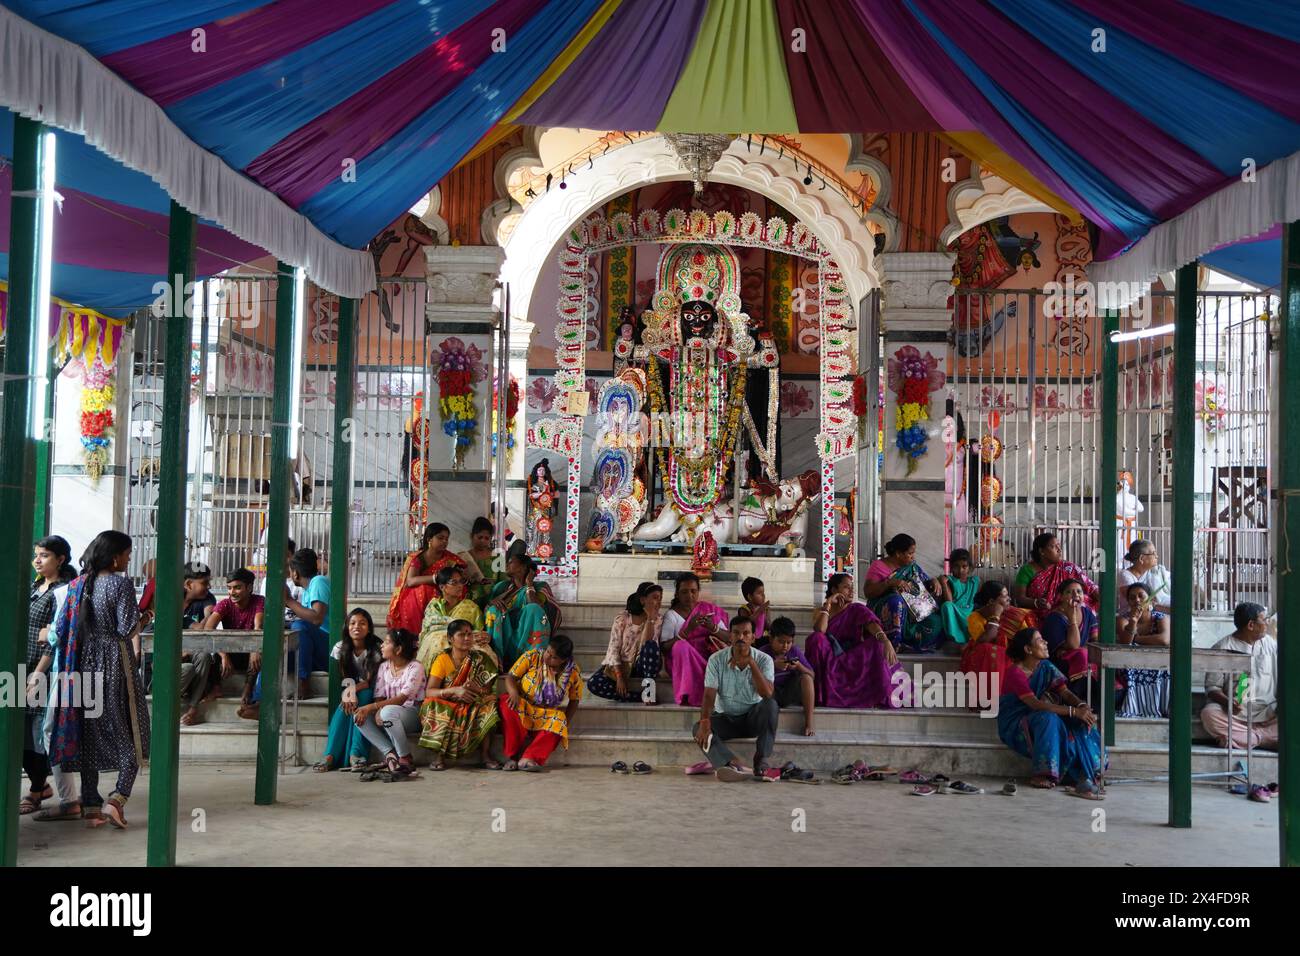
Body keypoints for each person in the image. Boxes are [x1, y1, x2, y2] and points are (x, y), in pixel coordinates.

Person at [49, 531, 151, 828]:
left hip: (81, 663)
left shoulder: (78, 585)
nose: (130, 559)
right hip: (114, 661)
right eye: (128, 553)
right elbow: (126, 628)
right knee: (131, 730)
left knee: (90, 732)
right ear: (116, 556)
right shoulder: (119, 584)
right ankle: (117, 799)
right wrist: (145, 617)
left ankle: (91, 804)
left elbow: (62, 627)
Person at [997, 627, 1104, 798]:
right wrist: (1073, 711)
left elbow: (1065, 692)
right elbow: (1035, 704)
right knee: (1048, 718)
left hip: (1038, 716)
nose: (1046, 642)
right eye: (1040, 640)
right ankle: (1043, 773)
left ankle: (1090, 770)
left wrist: (1082, 706)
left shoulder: (1045, 666)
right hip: (1015, 723)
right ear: (1028, 649)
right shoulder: (1015, 673)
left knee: (1080, 720)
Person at [19, 536, 78, 817]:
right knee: (20, 732)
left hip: (42, 670)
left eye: (44, 555)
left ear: (61, 560)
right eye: (36, 555)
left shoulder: (62, 592)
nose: (38, 560)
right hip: (21, 667)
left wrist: (36, 675)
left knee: (39, 734)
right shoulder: (34, 587)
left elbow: (55, 639)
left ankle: (37, 789)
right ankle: (40, 787)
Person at [692, 617, 780, 782]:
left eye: (746, 633)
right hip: (726, 719)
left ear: (753, 637)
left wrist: (752, 664)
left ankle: (761, 760)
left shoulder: (764, 660)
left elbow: (767, 693)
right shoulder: (716, 660)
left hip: (752, 719)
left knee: (771, 706)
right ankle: (730, 764)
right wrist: (705, 721)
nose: (741, 637)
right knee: (698, 727)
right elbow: (709, 694)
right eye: (736, 633)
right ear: (730, 636)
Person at [804, 573, 903, 709]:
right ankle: (820, 693)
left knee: (876, 644)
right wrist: (828, 605)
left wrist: (885, 640)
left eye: (852, 588)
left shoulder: (856, 608)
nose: (851, 591)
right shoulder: (822, 611)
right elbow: (820, 630)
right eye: (846, 587)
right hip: (831, 657)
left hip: (853, 657)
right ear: (834, 590)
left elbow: (872, 625)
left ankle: (877, 693)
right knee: (815, 639)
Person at [419, 618, 502, 769]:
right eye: (461, 635)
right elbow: (430, 691)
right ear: (451, 639)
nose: (467, 638)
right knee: (431, 704)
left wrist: (475, 689)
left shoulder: (481, 658)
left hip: (472, 702)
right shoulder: (442, 659)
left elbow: (488, 691)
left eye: (469, 634)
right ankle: (439, 756)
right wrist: (454, 690)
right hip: (448, 701)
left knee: (489, 707)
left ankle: (485, 755)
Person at [500, 634, 583, 771]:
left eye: (553, 657)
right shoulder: (532, 656)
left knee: (560, 721)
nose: (547, 656)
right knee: (506, 702)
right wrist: (513, 693)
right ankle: (512, 756)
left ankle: (529, 758)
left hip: (545, 713)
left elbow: (574, 700)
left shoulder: (573, 672)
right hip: (523, 704)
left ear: (563, 660)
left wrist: (564, 723)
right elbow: (511, 677)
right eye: (548, 651)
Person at [1201, 602, 1278, 751]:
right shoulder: (1222, 648)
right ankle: (1265, 739)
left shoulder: (1271, 645)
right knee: (1209, 714)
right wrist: (1229, 702)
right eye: (1265, 619)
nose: (1267, 623)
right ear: (1251, 625)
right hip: (1236, 715)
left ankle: (1246, 739)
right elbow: (1212, 688)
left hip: (1268, 712)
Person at [315, 609, 383, 771]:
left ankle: (355, 754)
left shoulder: (376, 647)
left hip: (373, 690)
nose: (356, 627)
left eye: (362, 623)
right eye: (352, 623)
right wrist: (348, 692)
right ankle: (331, 755)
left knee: (364, 697)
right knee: (344, 706)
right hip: (351, 686)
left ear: (369, 628)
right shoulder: (340, 647)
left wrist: (350, 691)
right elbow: (344, 677)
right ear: (347, 627)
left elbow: (370, 681)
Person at [353, 628, 427, 776]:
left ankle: (405, 756)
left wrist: (375, 708)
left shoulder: (415, 667)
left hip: (412, 714)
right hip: (390, 714)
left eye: (386, 643)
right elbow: (380, 695)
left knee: (387, 712)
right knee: (359, 715)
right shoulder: (384, 666)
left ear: (398, 649)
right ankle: (390, 753)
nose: (382, 646)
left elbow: (401, 699)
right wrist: (375, 709)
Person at [864, 534, 945, 652]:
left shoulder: (911, 566)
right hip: (888, 610)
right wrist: (890, 583)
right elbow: (868, 592)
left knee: (935, 622)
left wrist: (934, 581)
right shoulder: (879, 566)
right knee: (896, 601)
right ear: (898, 554)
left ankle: (911, 646)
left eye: (913, 553)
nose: (913, 557)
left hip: (914, 611)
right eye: (910, 553)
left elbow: (924, 583)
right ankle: (894, 643)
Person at [661, 572, 730, 707]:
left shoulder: (708, 610)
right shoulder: (671, 615)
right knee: (681, 646)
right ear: (677, 594)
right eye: (684, 592)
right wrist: (688, 631)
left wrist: (712, 627)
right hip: (682, 664)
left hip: (709, 659)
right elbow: (664, 647)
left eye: (693, 591)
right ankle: (689, 695)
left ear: (698, 592)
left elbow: (729, 638)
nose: (689, 596)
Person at [588, 583, 663, 703]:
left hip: (643, 665)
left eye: (660, 598)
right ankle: (637, 697)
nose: (659, 602)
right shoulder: (623, 618)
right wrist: (619, 677)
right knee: (593, 684)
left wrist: (650, 619)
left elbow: (647, 644)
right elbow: (613, 648)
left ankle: (649, 690)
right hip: (622, 666)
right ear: (643, 600)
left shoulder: (657, 619)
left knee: (651, 646)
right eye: (655, 598)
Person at [484, 552, 561, 670]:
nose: (507, 564)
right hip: (504, 633)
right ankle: (498, 661)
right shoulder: (502, 587)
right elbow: (487, 608)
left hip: (526, 632)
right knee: (494, 611)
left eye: (511, 562)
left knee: (533, 609)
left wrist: (529, 585)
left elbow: (537, 607)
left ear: (523, 567)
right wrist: (492, 603)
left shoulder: (540, 586)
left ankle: (533, 662)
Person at [387, 522, 466, 633]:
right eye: (440, 538)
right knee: (424, 590)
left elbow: (461, 571)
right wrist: (434, 578)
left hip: (442, 589)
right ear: (429, 539)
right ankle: (417, 635)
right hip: (418, 592)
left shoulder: (449, 558)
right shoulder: (418, 558)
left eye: (446, 539)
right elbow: (410, 581)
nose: (444, 541)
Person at [961, 581, 1031, 697]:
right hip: (985, 658)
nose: (1009, 598)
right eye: (1004, 596)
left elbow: (1027, 636)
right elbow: (985, 640)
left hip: (1012, 653)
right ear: (991, 602)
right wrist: (995, 617)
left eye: (1008, 595)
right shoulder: (975, 617)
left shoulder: (1015, 615)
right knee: (991, 650)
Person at [1114, 582, 1171, 719]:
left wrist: (1136, 639)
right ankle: (1136, 708)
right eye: (1132, 598)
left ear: (1150, 599)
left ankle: (1161, 708)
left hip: (1156, 662)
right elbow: (1126, 643)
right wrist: (1133, 622)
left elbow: (1164, 640)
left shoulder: (1160, 617)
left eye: (1141, 596)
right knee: (1131, 669)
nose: (1137, 600)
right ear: (1128, 601)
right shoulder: (1123, 619)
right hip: (1130, 663)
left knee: (1167, 669)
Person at [1039, 578, 1101, 704]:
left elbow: (1095, 641)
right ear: (1061, 597)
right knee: (1081, 655)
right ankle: (1073, 700)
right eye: (1069, 592)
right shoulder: (1054, 618)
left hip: (1085, 658)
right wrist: (1072, 619)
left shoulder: (1087, 612)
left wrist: (1084, 649)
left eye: (1079, 591)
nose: (1076, 595)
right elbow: (1073, 646)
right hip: (1060, 666)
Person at [1012, 531, 1099, 619]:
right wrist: (1036, 602)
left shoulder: (1068, 568)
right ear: (1042, 551)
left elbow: (1091, 587)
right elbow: (1019, 599)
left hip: (1068, 615)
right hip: (1038, 617)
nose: (1059, 549)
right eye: (1053, 546)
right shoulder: (1027, 570)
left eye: (1059, 546)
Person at [416, 566, 485, 672]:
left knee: (484, 651)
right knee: (439, 641)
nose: (460, 586)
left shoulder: (471, 607)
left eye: (461, 581)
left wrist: (482, 636)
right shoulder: (434, 606)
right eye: (454, 582)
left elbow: (478, 631)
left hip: (466, 644)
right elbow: (428, 630)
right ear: (442, 587)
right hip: (437, 645)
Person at [285, 548, 331, 700]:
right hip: (312, 651)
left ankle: (303, 683)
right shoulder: (306, 591)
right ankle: (258, 699)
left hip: (330, 647)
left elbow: (317, 618)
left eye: (291, 572)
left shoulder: (319, 582)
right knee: (274, 653)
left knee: (300, 627)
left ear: (295, 573)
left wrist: (289, 601)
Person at [758, 616, 815, 736]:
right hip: (770, 694)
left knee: (806, 678)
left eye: (789, 642)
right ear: (771, 639)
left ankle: (809, 724)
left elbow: (812, 675)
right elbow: (752, 676)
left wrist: (799, 667)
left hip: (790, 692)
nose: (785, 646)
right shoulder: (763, 653)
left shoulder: (794, 651)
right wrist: (772, 665)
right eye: (781, 642)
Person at [459, 516, 506, 606]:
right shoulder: (463, 557)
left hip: (493, 602)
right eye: (480, 537)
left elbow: (503, 583)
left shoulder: (498, 557)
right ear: (471, 536)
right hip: (469, 602)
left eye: (486, 538)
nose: (483, 541)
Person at [936, 548, 980, 645]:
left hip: (969, 613)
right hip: (955, 613)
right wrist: (943, 583)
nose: (960, 570)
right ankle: (954, 639)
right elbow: (949, 601)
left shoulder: (974, 581)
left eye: (964, 566)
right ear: (951, 567)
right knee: (946, 606)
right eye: (957, 566)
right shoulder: (949, 580)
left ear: (969, 567)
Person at [1118, 540, 1171, 614]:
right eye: (1153, 553)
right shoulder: (1125, 575)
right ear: (1141, 558)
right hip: (1131, 616)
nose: (1157, 556)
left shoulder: (1155, 572)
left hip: (1152, 614)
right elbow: (1139, 603)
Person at [735, 576, 771, 641]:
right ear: (750, 597)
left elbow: (767, 626)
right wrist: (760, 610)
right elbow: (746, 623)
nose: (763, 596)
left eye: (763, 593)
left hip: (762, 638)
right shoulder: (744, 609)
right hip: (749, 639)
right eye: (760, 593)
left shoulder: (765, 609)